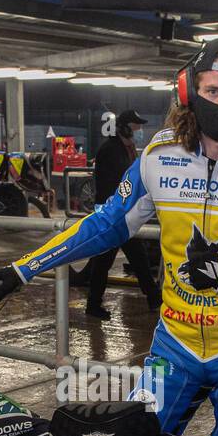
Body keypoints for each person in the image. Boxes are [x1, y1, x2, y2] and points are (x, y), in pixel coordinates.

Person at [0, 37, 218, 436]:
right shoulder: (158, 153)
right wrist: (23, 268)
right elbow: (106, 224)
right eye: (213, 90)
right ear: (190, 91)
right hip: (173, 344)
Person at [82, 109, 163, 319]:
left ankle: (153, 297)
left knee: (138, 258)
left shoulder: (126, 149)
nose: (140, 131)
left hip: (122, 213)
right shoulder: (111, 150)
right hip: (112, 214)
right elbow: (118, 183)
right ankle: (93, 304)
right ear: (125, 127)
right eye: (136, 127)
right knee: (105, 261)